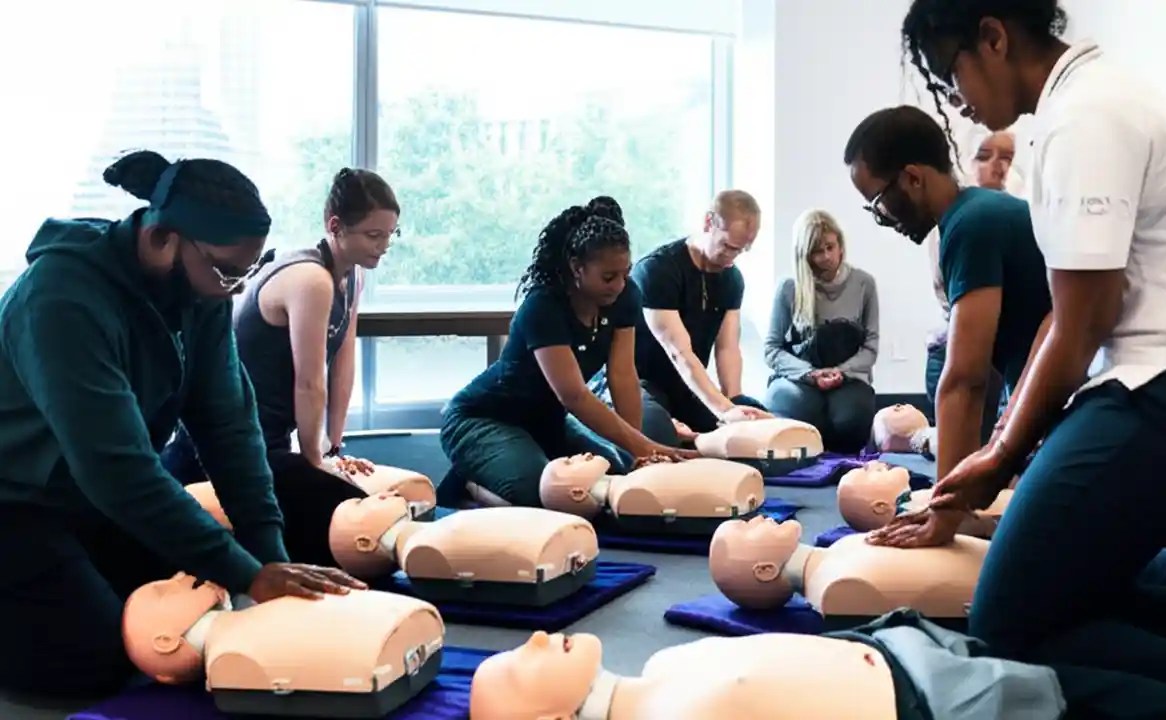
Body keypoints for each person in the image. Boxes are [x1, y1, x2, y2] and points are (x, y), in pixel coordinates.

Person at [870, 0, 1166, 702]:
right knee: (1068, 577)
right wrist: (1004, 446)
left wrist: (1000, 458)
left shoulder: (1086, 118)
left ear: (993, 38)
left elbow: (1083, 322)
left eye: (949, 73)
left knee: (1008, 624)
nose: (957, 102)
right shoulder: (1086, 102)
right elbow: (1061, 318)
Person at [0, 150, 364, 696]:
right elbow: (116, 469)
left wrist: (270, 557)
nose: (234, 290)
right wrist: (250, 575)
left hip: (92, 502)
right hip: (19, 505)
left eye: (246, 273)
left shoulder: (200, 290)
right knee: (91, 662)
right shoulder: (60, 299)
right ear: (163, 238)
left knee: (202, 596)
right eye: (226, 271)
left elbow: (230, 428)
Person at [161, 168, 400, 567]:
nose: (384, 246)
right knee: (349, 521)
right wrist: (315, 463)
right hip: (218, 451)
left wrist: (334, 449)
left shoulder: (352, 277)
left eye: (391, 235)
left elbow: (341, 363)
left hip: (268, 444)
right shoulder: (310, 279)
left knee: (366, 509)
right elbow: (310, 382)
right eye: (374, 235)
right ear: (335, 226)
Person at [845, 106, 1050, 495]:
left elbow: (963, 381)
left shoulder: (971, 225)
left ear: (912, 178)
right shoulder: (980, 212)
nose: (882, 218)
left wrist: (945, 507)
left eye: (878, 204)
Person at [440, 197, 694, 508]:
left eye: (625, 274)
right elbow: (573, 395)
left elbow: (623, 375)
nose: (619, 285)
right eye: (608, 277)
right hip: (485, 418)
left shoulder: (625, 296)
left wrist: (637, 453)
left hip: (547, 420)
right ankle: (469, 484)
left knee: (614, 474)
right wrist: (641, 446)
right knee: (548, 495)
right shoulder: (543, 306)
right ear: (577, 268)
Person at [630, 190, 772, 447]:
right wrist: (724, 411)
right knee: (658, 431)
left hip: (686, 389)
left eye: (740, 251)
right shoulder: (657, 270)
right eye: (727, 247)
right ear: (709, 222)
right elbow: (680, 353)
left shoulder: (732, 279)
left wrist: (735, 404)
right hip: (640, 384)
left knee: (762, 429)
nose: (731, 258)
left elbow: (727, 348)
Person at [923, 129, 1018, 440]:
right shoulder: (951, 219)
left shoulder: (1022, 213)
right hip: (961, 337)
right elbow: (945, 291)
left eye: (1007, 158)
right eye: (984, 156)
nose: (998, 166)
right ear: (965, 162)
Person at [763, 209, 879, 452]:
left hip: (848, 377)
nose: (826, 257)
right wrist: (810, 374)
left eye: (830, 247)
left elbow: (870, 347)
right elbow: (772, 350)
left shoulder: (864, 283)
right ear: (804, 255)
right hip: (799, 376)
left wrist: (840, 372)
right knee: (799, 416)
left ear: (840, 247)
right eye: (817, 251)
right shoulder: (788, 287)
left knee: (852, 421)